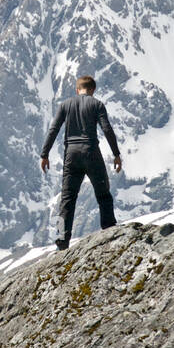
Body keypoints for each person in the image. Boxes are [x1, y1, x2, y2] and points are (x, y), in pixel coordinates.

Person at [40, 74, 121, 249]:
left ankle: (62, 240)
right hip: (91, 151)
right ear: (93, 90)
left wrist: (44, 154)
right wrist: (116, 154)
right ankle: (109, 230)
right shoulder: (97, 104)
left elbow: (54, 129)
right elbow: (106, 128)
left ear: (77, 89)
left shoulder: (65, 105)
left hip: (71, 154)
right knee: (103, 195)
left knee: (67, 199)